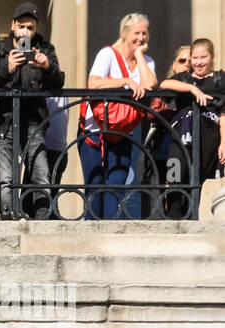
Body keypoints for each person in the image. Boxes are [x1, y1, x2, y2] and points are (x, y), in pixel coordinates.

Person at [0, 3, 65, 220]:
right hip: (5, 120)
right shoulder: (0, 50)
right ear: (13, 25)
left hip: (34, 120)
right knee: (7, 176)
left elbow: (59, 82)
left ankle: (42, 217)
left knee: (40, 172)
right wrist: (7, 68)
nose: (25, 32)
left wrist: (47, 66)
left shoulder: (44, 49)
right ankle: (8, 217)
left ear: (36, 28)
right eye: (21, 26)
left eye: (30, 27)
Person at [80, 12, 157, 220]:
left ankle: (111, 233)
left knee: (117, 183)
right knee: (94, 184)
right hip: (95, 128)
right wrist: (126, 81)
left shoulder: (146, 60)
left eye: (144, 33)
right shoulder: (108, 54)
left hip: (123, 130)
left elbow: (149, 84)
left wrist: (139, 55)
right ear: (125, 34)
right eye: (136, 33)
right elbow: (94, 83)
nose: (141, 38)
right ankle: (92, 233)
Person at [160, 37, 225, 217]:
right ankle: (174, 223)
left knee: (196, 182)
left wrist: (224, 143)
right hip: (180, 135)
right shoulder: (185, 78)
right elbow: (164, 84)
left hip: (209, 138)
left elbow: (223, 116)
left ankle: (190, 220)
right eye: (195, 58)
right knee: (175, 178)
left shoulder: (220, 78)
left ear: (212, 57)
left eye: (203, 57)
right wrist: (193, 89)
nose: (199, 62)